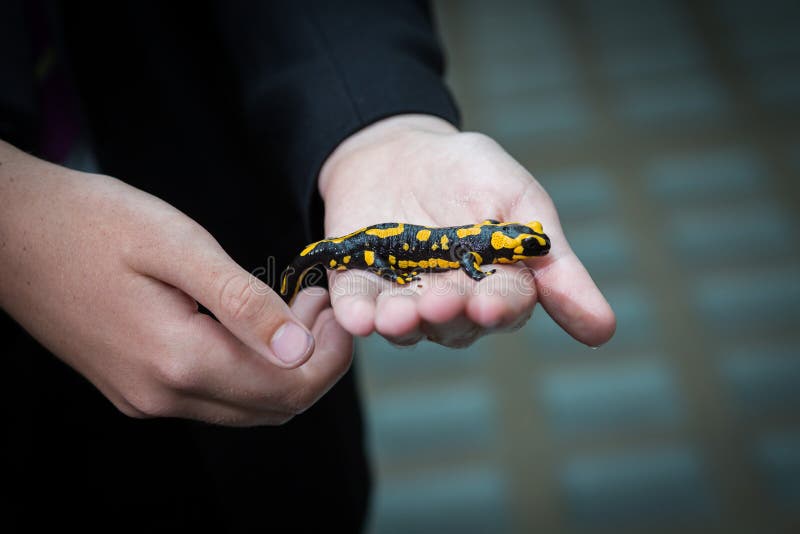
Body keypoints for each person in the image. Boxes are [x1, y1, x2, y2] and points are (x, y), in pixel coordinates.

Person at [0, 1, 615, 531]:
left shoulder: (485, 240)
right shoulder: (480, 245)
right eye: (522, 246)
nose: (524, 249)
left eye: (522, 246)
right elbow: (458, 252)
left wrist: (380, 122)